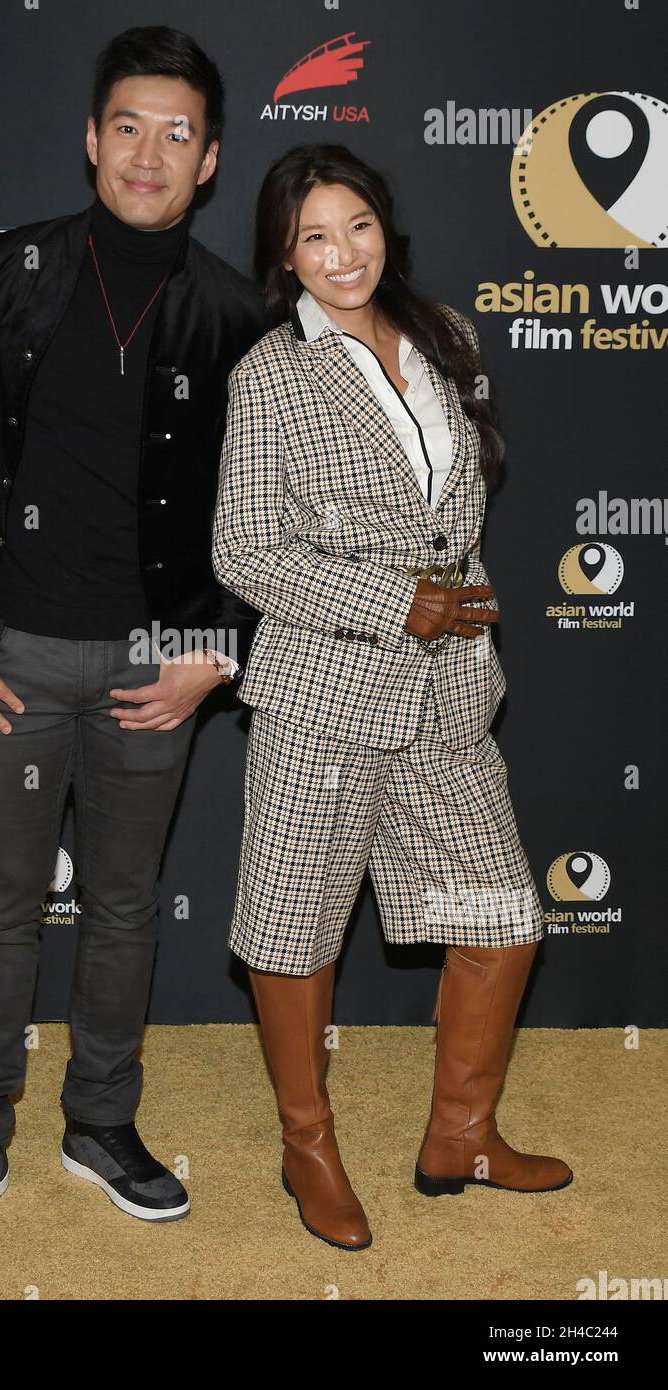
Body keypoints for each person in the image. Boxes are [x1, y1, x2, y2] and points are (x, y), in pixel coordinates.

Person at [0, 26, 266, 1263]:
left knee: (121, 906)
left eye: (176, 135)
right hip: (11, 652)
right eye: (127, 126)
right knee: (3, 907)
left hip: (158, 654)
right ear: (90, 138)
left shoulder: (236, 313)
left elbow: (271, 510)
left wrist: (218, 651)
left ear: (208, 160)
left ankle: (101, 1122)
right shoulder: (1, 271)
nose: (148, 154)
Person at [211, 143, 572, 1252]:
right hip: (324, 689)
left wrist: (452, 579)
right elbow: (242, 550)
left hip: (452, 689)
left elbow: (442, 505)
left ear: (384, 227)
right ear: (284, 254)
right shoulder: (269, 373)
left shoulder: (442, 336)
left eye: (355, 225)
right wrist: (391, 599)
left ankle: (459, 1132)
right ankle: (306, 1145)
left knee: (505, 919)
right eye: (312, 236)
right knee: (294, 932)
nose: (340, 254)